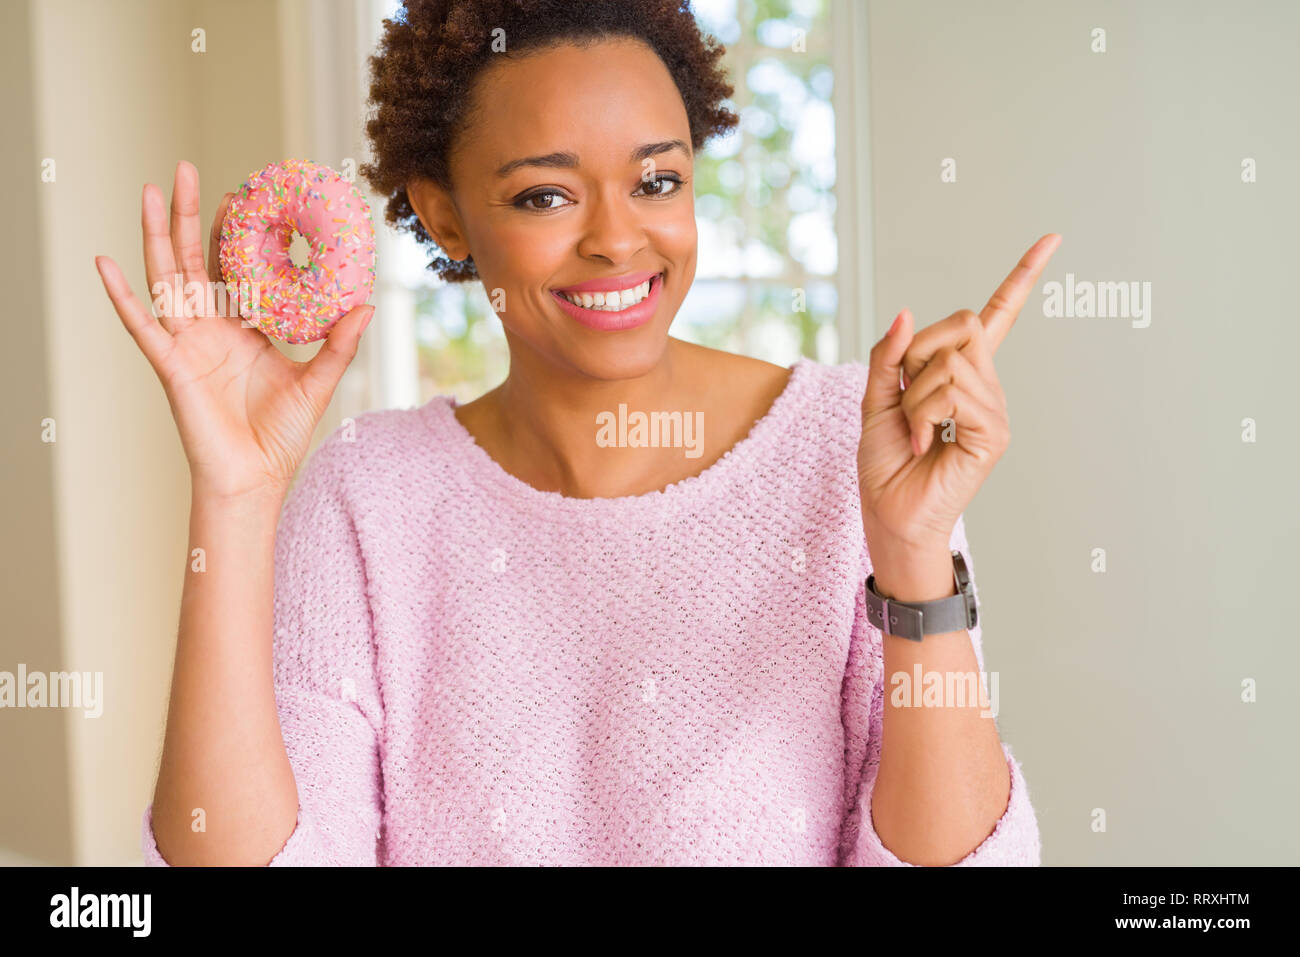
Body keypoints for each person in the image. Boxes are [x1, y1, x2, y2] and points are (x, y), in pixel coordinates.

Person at [94, 0, 1058, 866]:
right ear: (446, 216)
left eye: (657, 180)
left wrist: (914, 553)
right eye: (545, 195)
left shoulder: (848, 452)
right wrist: (234, 497)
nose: (617, 238)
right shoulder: (367, 496)